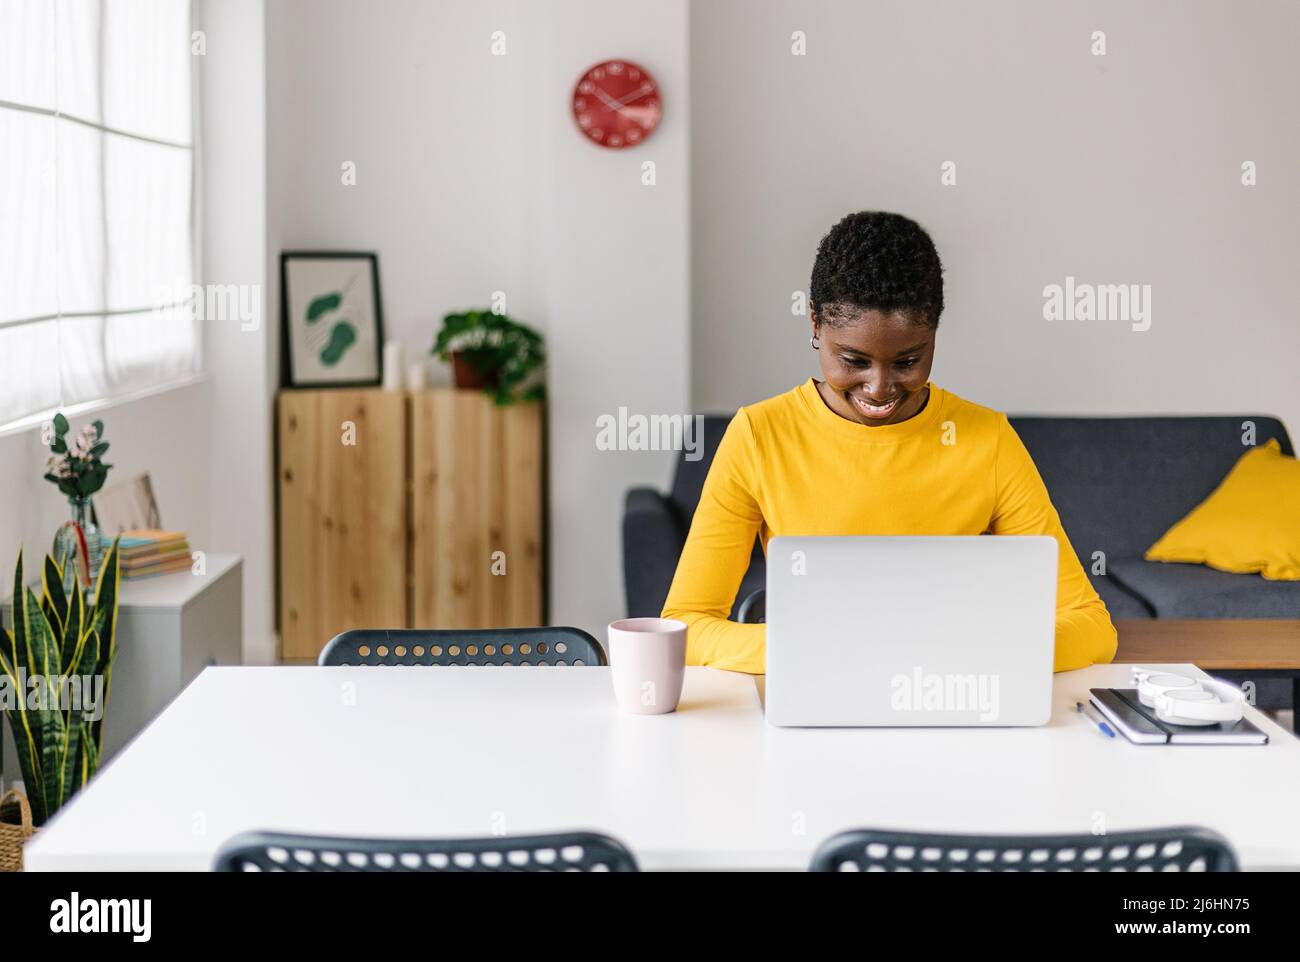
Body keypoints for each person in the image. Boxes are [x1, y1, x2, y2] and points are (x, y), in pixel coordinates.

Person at [661, 211, 1117, 674]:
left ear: (934, 334)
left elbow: (1090, 625)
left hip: (944, 689)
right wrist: (820, 652)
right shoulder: (760, 435)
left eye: (907, 361)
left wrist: (976, 654)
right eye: (853, 360)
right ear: (816, 323)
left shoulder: (988, 440)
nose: (879, 388)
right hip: (817, 685)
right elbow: (686, 625)